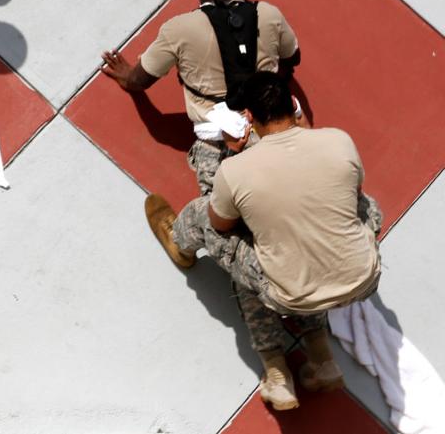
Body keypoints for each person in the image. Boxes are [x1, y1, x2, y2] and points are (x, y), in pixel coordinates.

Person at [144, 72, 382, 411]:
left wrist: (233, 156)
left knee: (225, 232)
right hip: (362, 278)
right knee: (359, 206)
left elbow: (220, 225)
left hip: (293, 294)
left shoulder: (237, 170)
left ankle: (276, 371)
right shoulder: (339, 141)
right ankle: (321, 356)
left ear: (249, 117)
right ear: (293, 106)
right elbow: (354, 194)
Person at [101, 0, 300, 195]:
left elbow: (139, 81)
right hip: (272, 127)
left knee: (219, 206)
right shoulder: (268, 13)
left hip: (217, 140)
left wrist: (126, 75)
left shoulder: (177, 30)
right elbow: (293, 57)